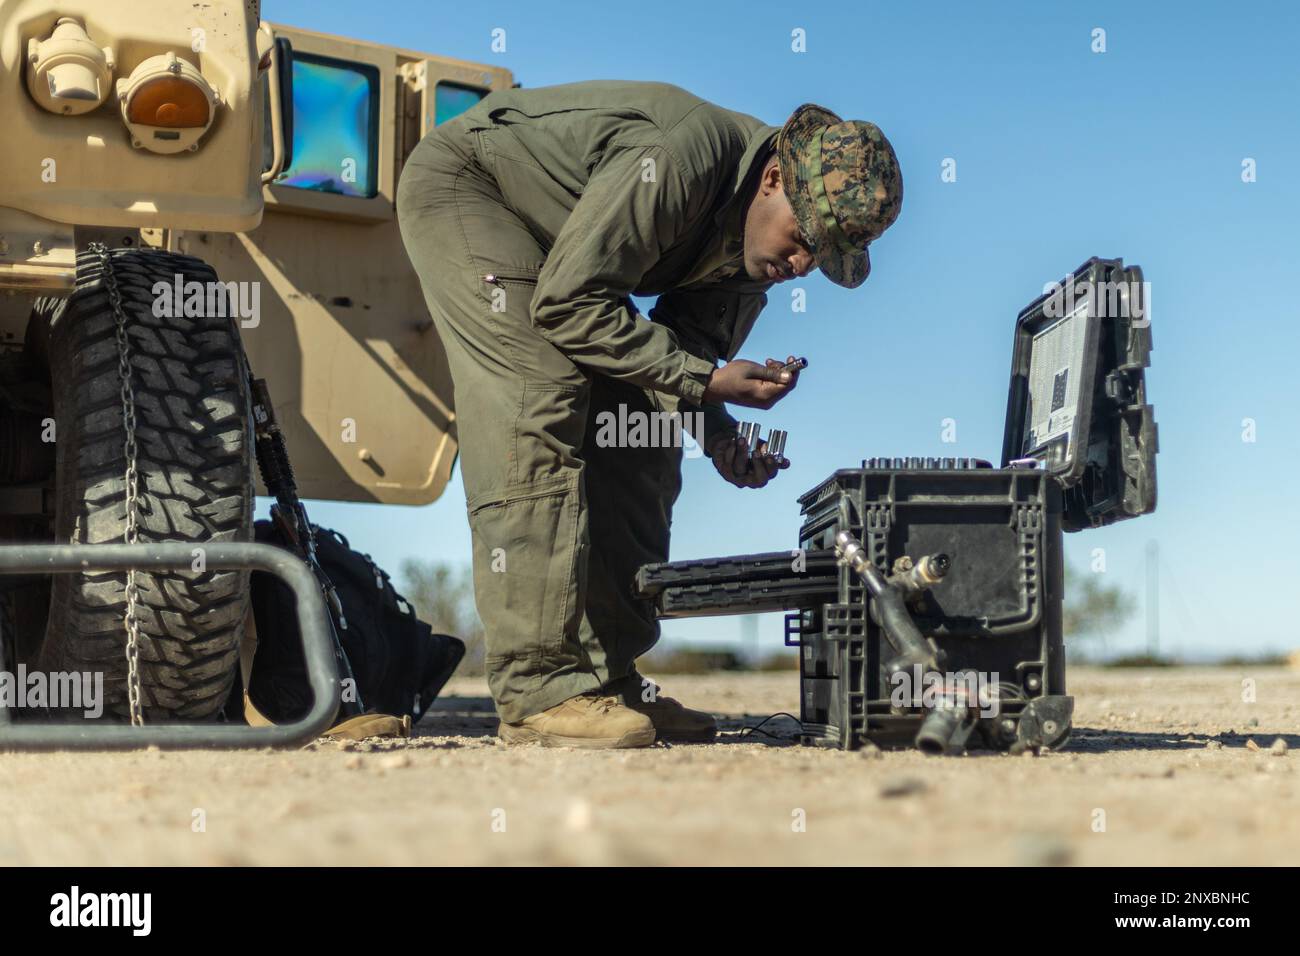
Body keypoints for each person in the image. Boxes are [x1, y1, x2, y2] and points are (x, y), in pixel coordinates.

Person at [396, 81, 902, 748]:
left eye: (824, 258)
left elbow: (679, 362)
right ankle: (540, 689)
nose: (802, 265)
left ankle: (609, 681)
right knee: (541, 393)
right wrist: (708, 381)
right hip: (475, 193)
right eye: (806, 237)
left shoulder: (756, 256)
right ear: (773, 179)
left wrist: (719, 437)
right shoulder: (679, 159)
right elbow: (569, 305)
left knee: (642, 426)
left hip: (569, 259)